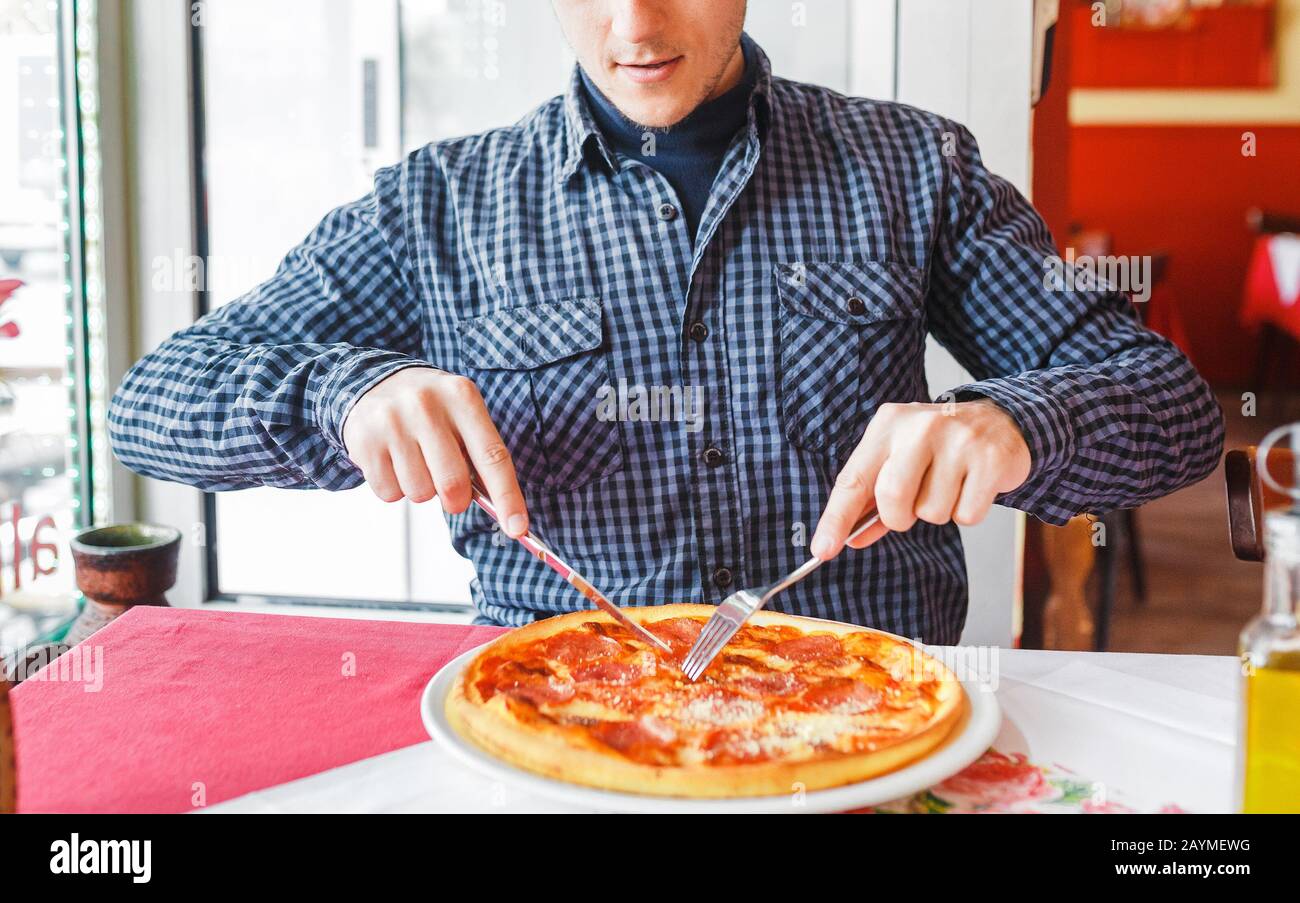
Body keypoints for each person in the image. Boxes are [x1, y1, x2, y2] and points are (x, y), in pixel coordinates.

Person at [109, 1, 1224, 641]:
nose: (634, 23)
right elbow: (147, 408)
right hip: (559, 726)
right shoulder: (440, 203)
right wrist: (341, 395)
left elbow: (1171, 406)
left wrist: (1012, 425)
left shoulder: (909, 166)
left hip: (865, 725)